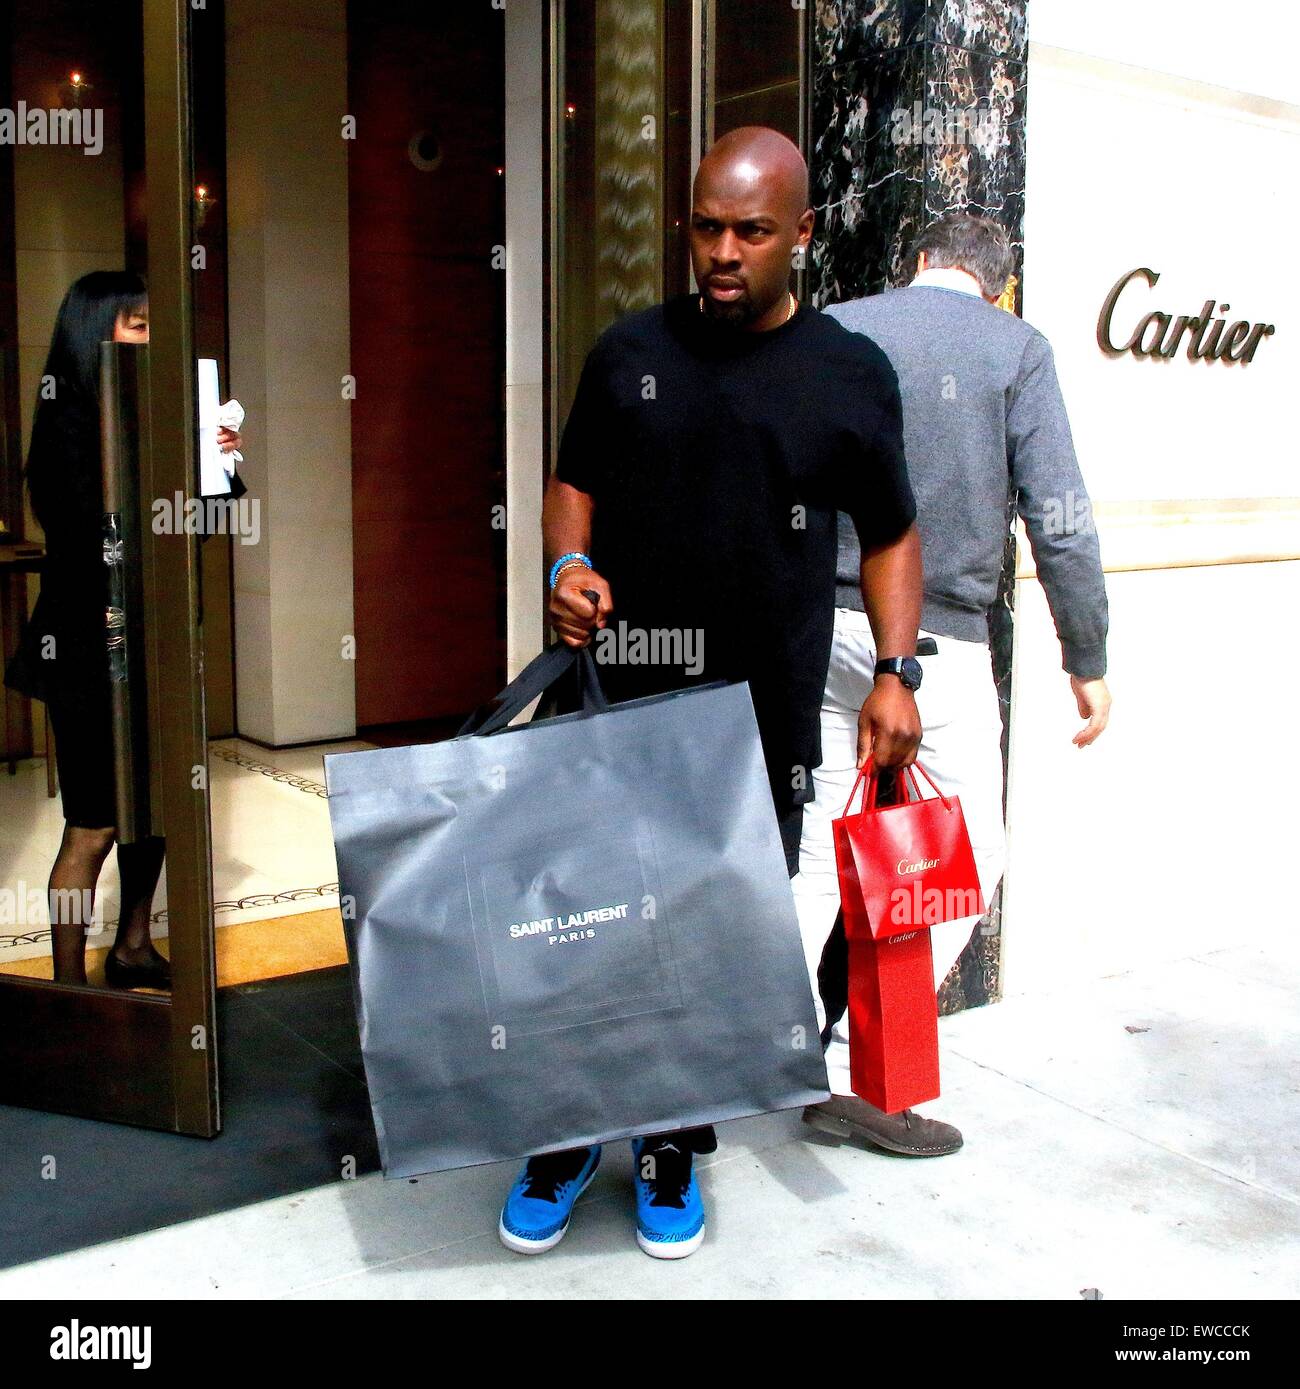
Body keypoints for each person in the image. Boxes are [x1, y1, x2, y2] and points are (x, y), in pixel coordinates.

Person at [497, 126, 924, 1260]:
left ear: (800, 234)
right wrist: (563, 567)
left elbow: (890, 533)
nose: (722, 252)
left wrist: (894, 670)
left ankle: (672, 1141)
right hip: (614, 695)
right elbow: (573, 481)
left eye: (750, 230)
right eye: (705, 226)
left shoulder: (846, 372)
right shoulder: (628, 350)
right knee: (579, 922)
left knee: (702, 934)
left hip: (756, 715)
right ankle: (564, 1132)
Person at [792, 211, 1112, 1157]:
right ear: (996, 284)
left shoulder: (840, 324)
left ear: (915, 261)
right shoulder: (1017, 348)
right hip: (937, 647)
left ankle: (761, 1045)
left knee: (809, 858)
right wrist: (1085, 655)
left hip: (822, 631)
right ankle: (861, 1046)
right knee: (963, 855)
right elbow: (1059, 517)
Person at [3, 271, 243, 989]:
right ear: (95, 332)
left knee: (159, 809)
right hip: (88, 645)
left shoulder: (159, 415)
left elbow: (207, 524)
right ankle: (70, 986)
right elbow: (94, 536)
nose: (154, 338)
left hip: (160, 639)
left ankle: (133, 945)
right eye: (140, 325)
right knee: (95, 824)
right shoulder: (68, 421)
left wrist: (220, 460)